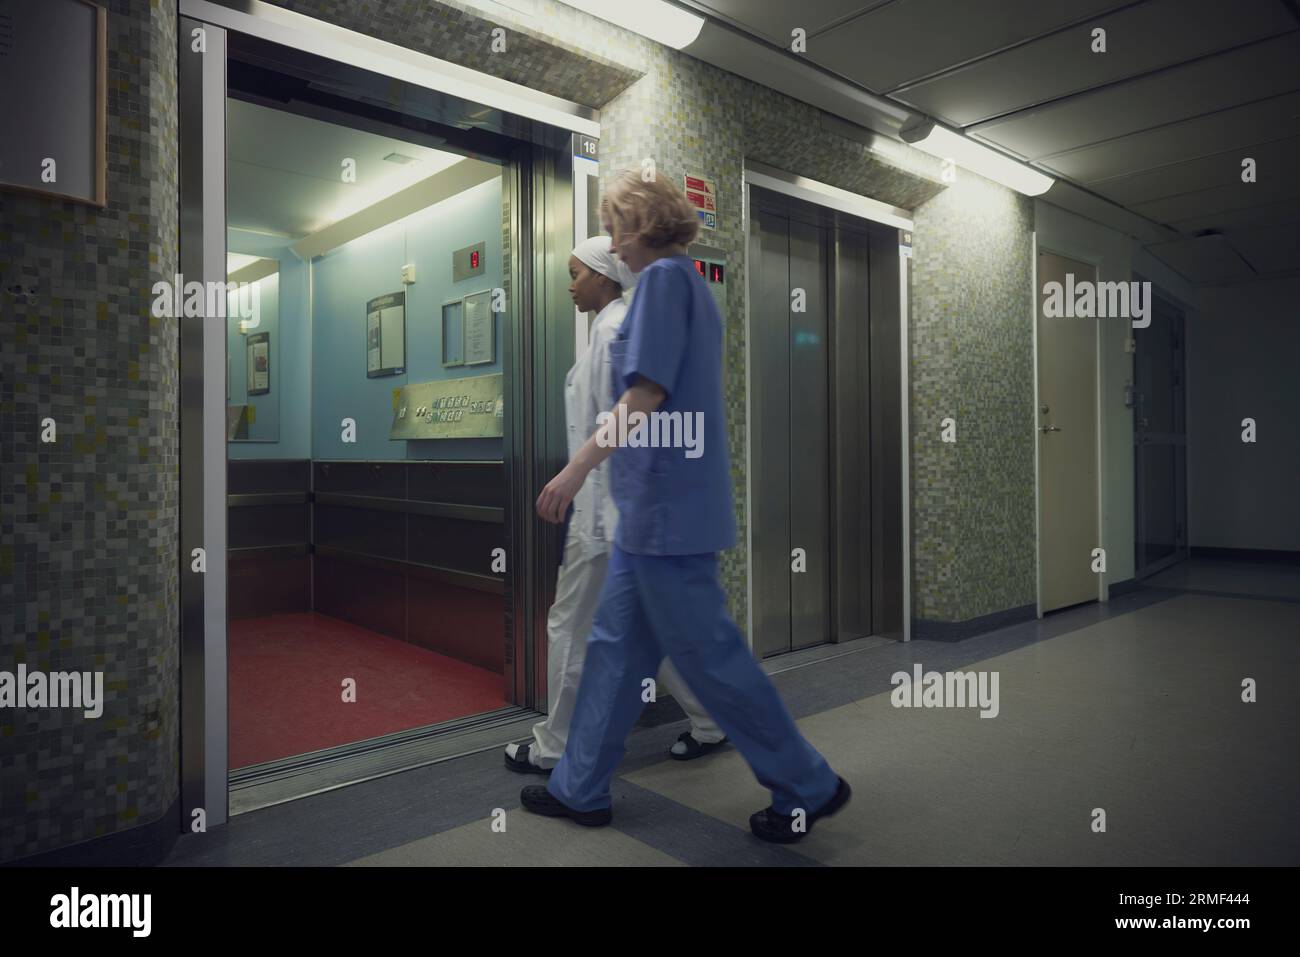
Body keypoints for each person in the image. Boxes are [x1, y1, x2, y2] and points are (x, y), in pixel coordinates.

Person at [521, 172, 850, 844]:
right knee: (614, 653)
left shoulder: (668, 283)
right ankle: (579, 785)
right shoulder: (674, 287)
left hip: (666, 516)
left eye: (615, 223)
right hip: (650, 516)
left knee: (709, 656)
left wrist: (574, 470)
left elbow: (643, 397)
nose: (610, 237)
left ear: (642, 225)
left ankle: (808, 782)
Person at [503, 236, 727, 775]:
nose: (570, 284)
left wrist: (574, 479)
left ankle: (555, 747)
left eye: (576, 273)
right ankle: (714, 721)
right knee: (662, 627)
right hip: (625, 514)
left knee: (570, 626)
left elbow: (626, 422)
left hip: (606, 517)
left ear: (604, 276)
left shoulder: (611, 332)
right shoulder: (616, 327)